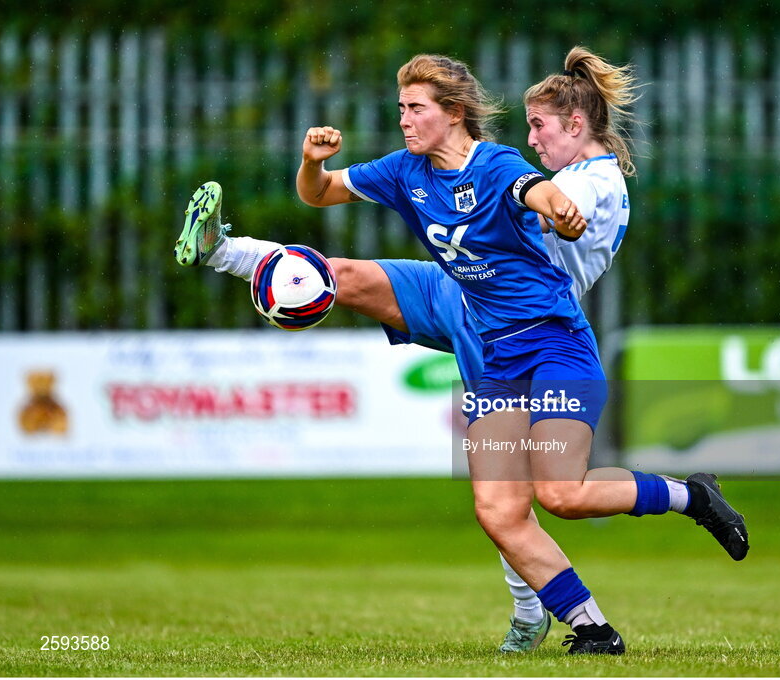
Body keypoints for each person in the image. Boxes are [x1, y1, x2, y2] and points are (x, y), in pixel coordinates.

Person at [174, 49, 749, 655]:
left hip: (548, 339)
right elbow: (319, 195)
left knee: (561, 494)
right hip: (477, 322)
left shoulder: (523, 168)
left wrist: (556, 206)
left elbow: (535, 190)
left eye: (413, 108)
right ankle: (592, 629)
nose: (402, 119)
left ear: (452, 113)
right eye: (400, 107)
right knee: (497, 507)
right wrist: (311, 163)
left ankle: (688, 497)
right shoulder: (406, 170)